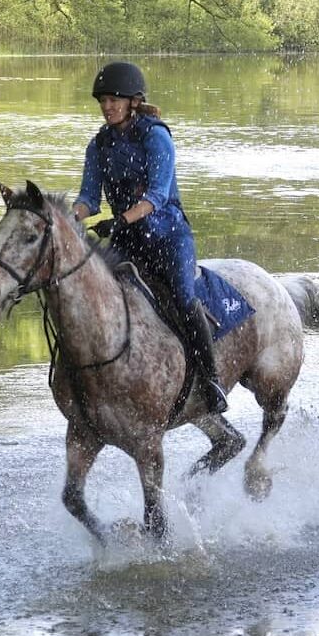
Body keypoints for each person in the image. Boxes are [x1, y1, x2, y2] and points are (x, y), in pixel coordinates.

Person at [72, 61, 227, 416]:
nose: (107, 107)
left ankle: (211, 379)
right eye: (102, 101)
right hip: (128, 241)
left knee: (185, 298)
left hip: (168, 236)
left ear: (132, 101)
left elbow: (157, 195)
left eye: (113, 100)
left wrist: (120, 220)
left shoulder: (156, 136)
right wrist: (68, 219)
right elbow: (88, 198)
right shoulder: (99, 145)